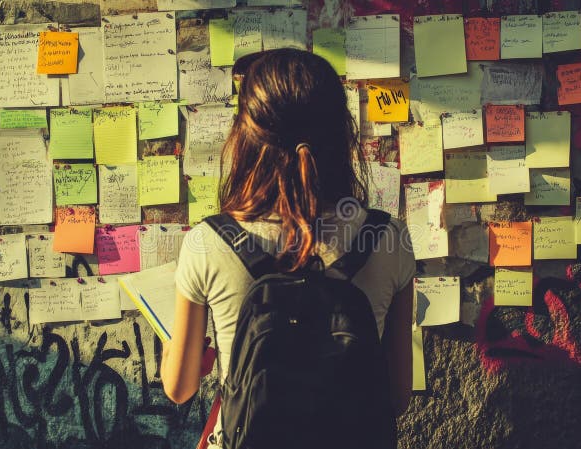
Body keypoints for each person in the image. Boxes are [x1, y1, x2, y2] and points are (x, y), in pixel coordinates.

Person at [161, 48, 414, 447]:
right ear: (340, 134)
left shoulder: (207, 243)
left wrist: (176, 353)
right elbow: (397, 398)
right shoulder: (388, 237)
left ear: (245, 136)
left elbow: (180, 388)